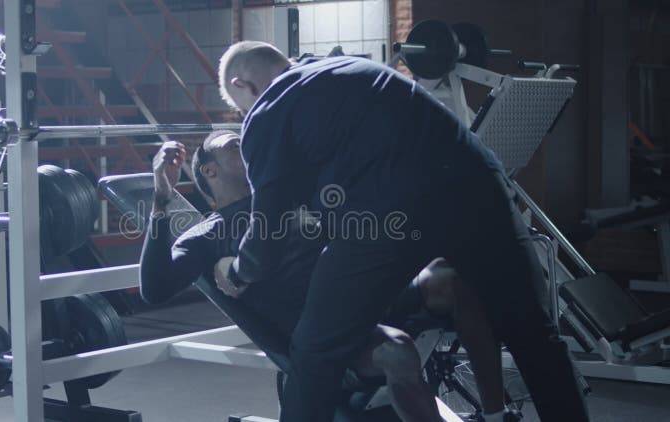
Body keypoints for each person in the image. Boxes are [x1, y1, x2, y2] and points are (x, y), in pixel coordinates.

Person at [214, 41, 589, 422]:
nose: (245, 114)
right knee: (533, 333)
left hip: (386, 210)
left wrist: (239, 271)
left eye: (240, 106)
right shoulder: (353, 68)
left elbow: (269, 230)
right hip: (477, 183)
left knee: (314, 351)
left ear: (242, 85)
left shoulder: (268, 109)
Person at [140, 136, 508, 421]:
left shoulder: (290, 198)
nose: (249, 145)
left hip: (368, 298)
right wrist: (160, 199)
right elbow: (154, 289)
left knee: (450, 277)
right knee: (396, 350)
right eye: (236, 145)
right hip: (326, 334)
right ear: (209, 171)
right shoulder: (207, 235)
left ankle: (496, 415)